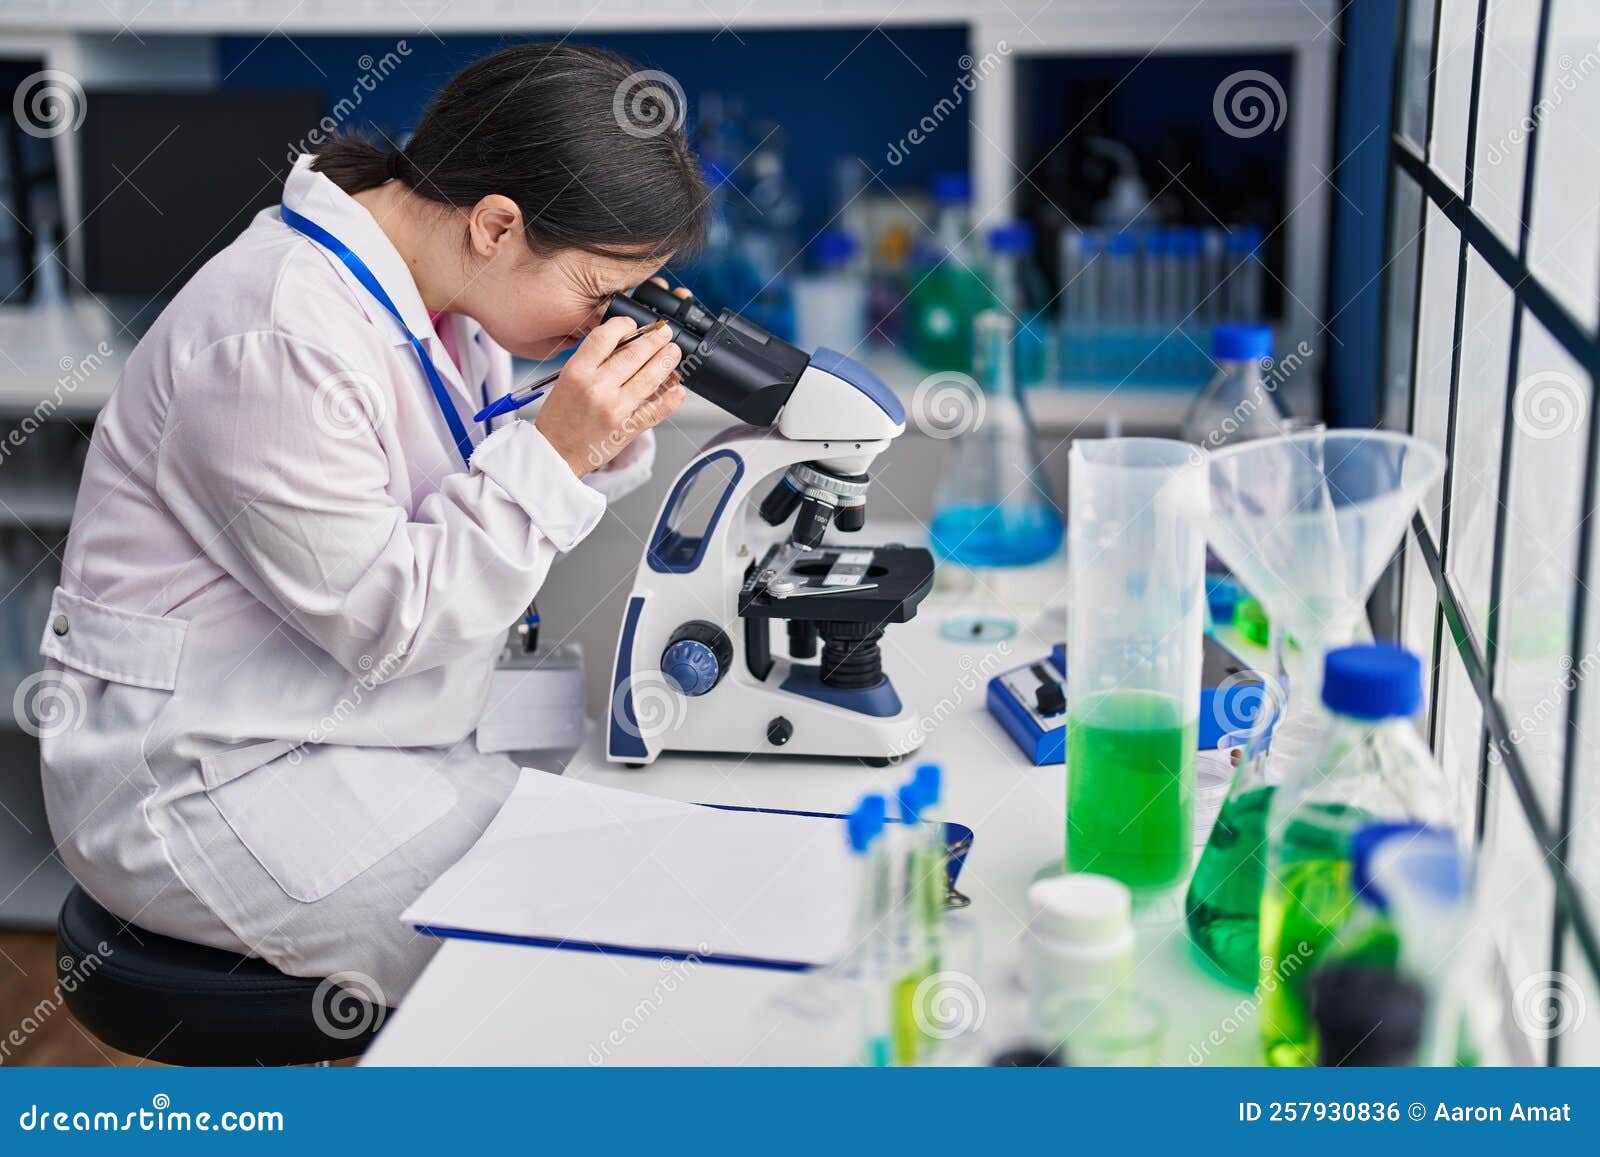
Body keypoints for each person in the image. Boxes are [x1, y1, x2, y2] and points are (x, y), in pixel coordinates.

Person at [38, 43, 707, 1005]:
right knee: (560, 966)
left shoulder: (438, 298)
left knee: (627, 853)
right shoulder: (275, 332)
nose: (607, 321)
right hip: (208, 776)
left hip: (344, 731)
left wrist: (583, 434)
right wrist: (557, 451)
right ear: (497, 224)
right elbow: (386, 620)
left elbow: (454, 486)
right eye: (601, 294)